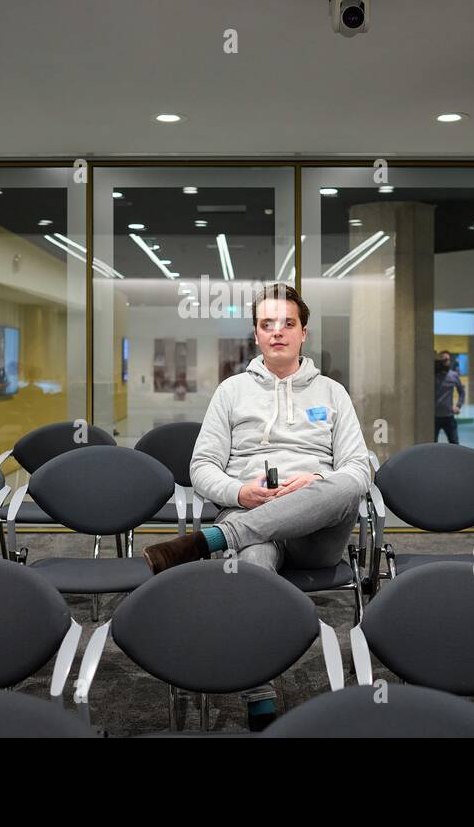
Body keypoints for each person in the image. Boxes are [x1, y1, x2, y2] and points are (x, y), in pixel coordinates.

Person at [142, 282, 370, 728]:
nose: (278, 332)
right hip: (250, 512)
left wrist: (317, 480)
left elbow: (360, 469)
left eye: (288, 323)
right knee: (253, 566)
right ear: (256, 334)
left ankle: (212, 539)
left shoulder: (332, 393)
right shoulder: (231, 392)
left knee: (344, 487)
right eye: (268, 324)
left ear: (304, 333)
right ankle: (259, 689)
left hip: (316, 532)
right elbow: (202, 467)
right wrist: (240, 493)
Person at [434, 351, 465, 444]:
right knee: (431, 445)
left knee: (455, 443)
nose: (445, 362)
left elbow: (462, 392)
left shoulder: (453, 375)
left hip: (449, 416)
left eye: (447, 360)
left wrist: (458, 405)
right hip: (434, 417)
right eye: (443, 360)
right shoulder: (432, 375)